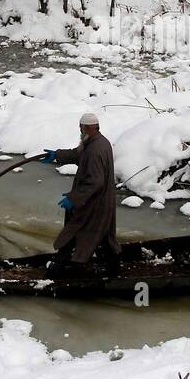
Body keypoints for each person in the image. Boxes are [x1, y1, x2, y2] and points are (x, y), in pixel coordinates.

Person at [41, 112, 119, 276]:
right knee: (102, 235)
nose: (79, 130)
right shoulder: (95, 142)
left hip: (94, 203)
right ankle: (112, 268)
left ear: (88, 127)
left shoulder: (95, 150)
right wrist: (58, 155)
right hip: (99, 200)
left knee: (77, 230)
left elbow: (96, 182)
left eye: (81, 127)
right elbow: (78, 154)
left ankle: (61, 269)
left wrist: (74, 198)